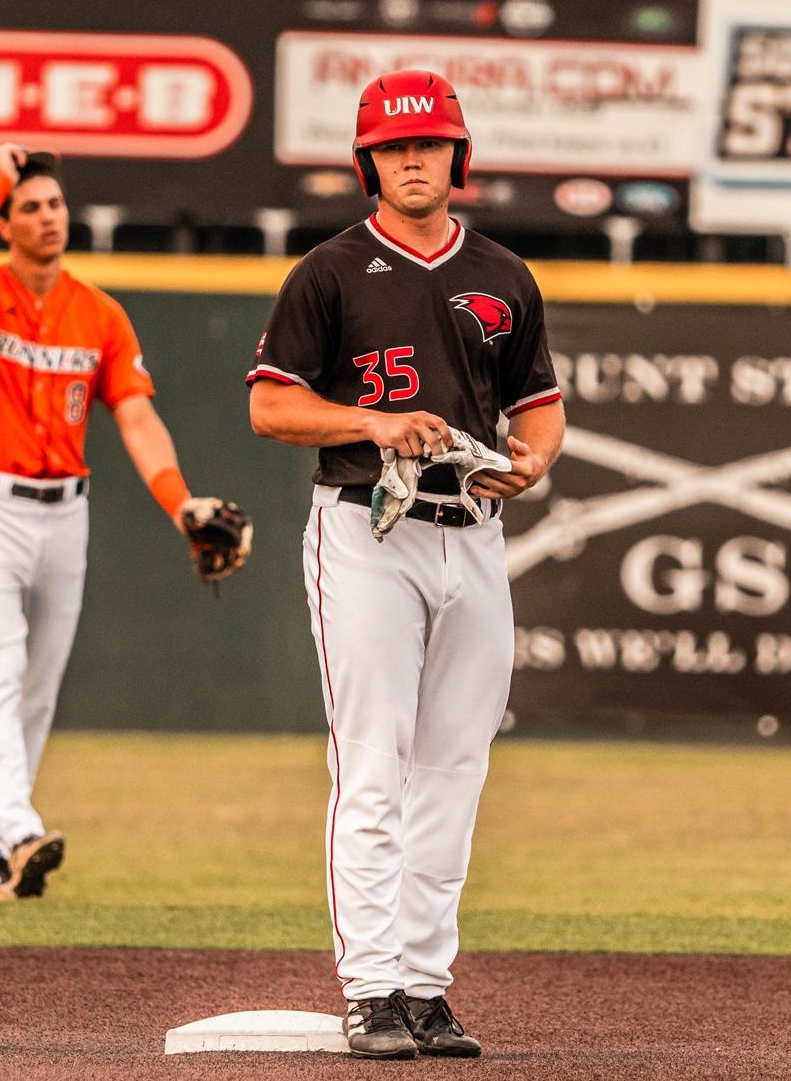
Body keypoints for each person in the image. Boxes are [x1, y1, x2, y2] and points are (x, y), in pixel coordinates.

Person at [246, 70, 565, 1059]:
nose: (414, 157)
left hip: (473, 531)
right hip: (366, 533)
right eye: (395, 145)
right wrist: (373, 422)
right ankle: (371, 986)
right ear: (369, 161)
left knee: (456, 767)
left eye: (429, 142)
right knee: (373, 761)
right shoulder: (330, 271)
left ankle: (426, 986)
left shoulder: (504, 274)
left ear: (457, 156)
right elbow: (269, 405)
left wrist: (532, 463)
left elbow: (539, 407)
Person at [0, 144, 222, 900]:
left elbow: (137, 417)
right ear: (4, 223)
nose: (48, 216)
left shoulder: (99, 313)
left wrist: (180, 501)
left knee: (37, 691)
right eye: (29, 207)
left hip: (64, 515)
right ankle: (21, 829)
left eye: (54, 203)